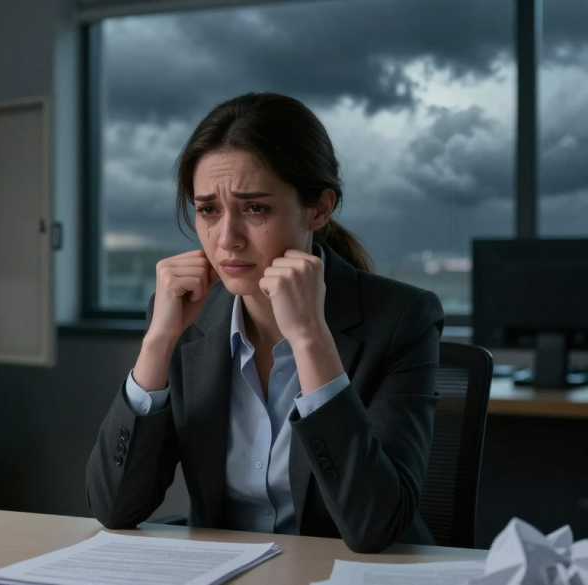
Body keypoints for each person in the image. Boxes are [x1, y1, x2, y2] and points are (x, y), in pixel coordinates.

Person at [85, 92, 443, 554]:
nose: (227, 239)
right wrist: (159, 341)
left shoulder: (401, 320)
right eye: (209, 210)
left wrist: (312, 337)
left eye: (255, 209)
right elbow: (113, 507)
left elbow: (375, 525)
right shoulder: (181, 316)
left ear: (319, 208)